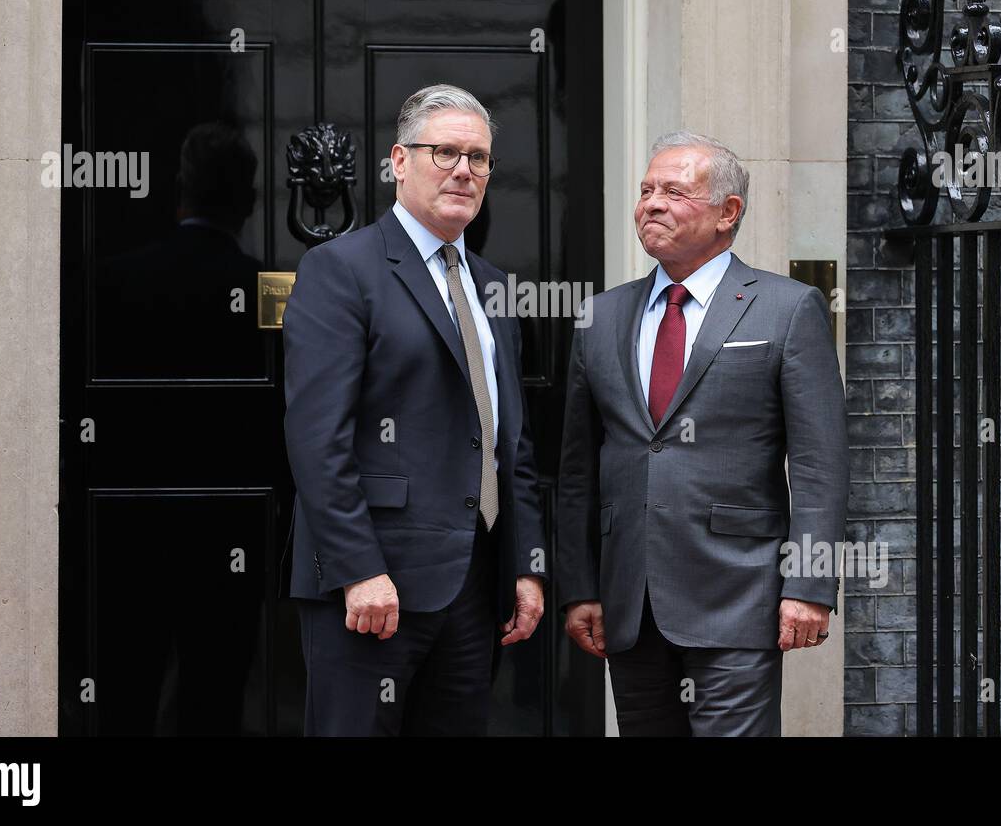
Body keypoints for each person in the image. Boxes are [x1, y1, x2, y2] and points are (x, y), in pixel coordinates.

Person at [557, 130, 848, 736]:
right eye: (645, 191)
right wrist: (580, 587)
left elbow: (820, 463)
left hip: (741, 594)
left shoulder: (787, 308)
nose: (651, 204)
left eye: (673, 191)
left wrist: (811, 585)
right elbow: (578, 469)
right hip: (629, 598)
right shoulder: (602, 316)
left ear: (728, 213)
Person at [283, 84, 545, 736]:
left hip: (474, 586)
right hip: (373, 587)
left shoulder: (493, 287)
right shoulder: (340, 269)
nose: (464, 170)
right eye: (446, 152)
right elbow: (318, 438)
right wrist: (359, 570)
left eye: (479, 158)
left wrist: (526, 565)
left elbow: (511, 443)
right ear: (399, 161)